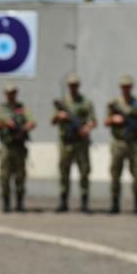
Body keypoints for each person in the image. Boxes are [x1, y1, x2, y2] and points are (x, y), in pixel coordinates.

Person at [52, 74, 97, 213]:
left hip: (81, 143)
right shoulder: (63, 102)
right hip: (66, 143)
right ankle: (63, 201)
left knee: (84, 172)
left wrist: (86, 128)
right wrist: (59, 116)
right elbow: (52, 121)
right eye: (71, 85)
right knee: (64, 172)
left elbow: (93, 120)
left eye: (75, 85)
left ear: (79, 86)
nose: (73, 87)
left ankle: (84, 202)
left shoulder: (85, 102)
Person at [105, 75, 137, 214]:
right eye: (124, 86)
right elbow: (105, 121)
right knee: (115, 174)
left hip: (134, 143)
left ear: (131, 87)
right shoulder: (114, 103)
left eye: (128, 86)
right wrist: (113, 119)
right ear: (120, 88)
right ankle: (115, 203)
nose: (126, 89)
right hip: (118, 142)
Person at [0, 84, 36, 212]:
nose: (11, 95)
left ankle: (20, 202)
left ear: (16, 93)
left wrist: (23, 128)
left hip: (19, 147)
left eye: (13, 92)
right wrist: (6, 123)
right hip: (6, 146)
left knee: (20, 176)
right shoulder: (1, 109)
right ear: (5, 94)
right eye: (8, 92)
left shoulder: (22, 108)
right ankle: (6, 202)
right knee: (4, 176)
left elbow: (32, 122)